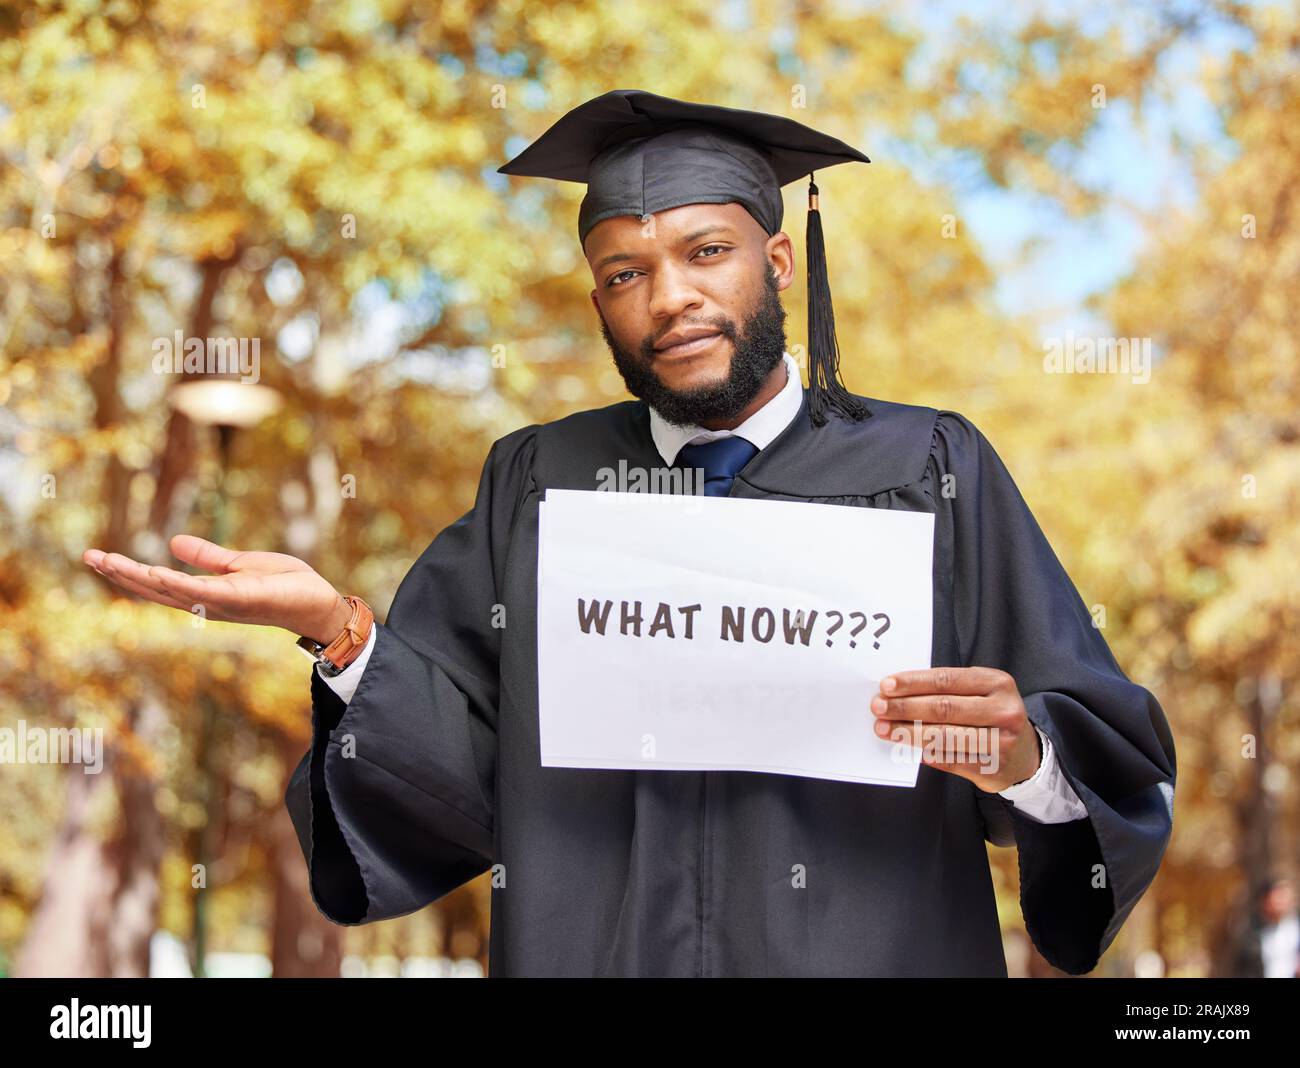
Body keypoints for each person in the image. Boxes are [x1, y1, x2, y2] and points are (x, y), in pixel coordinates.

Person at [83, 89, 1176, 977]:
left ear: (778, 264)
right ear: (599, 300)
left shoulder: (931, 468)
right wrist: (341, 630)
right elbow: (463, 776)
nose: (669, 299)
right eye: (625, 274)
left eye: (707, 253)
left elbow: (1094, 750)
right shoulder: (539, 480)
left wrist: (1027, 759)